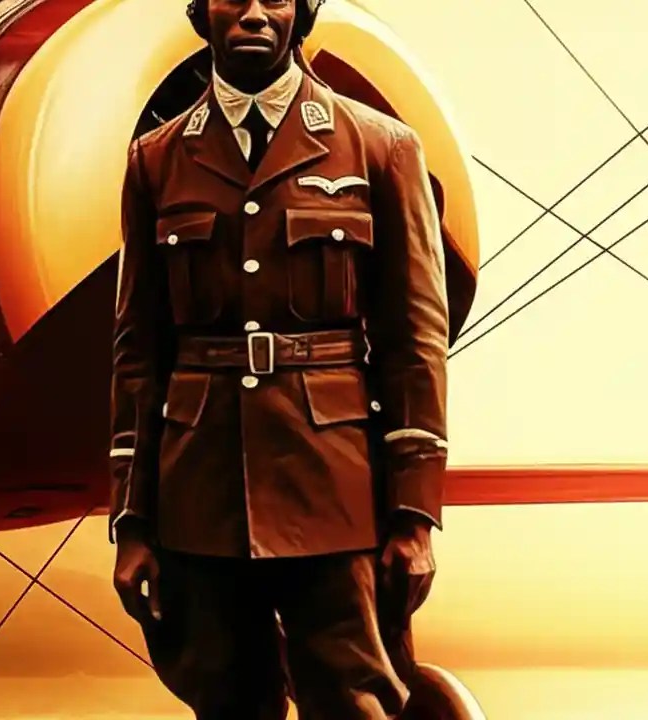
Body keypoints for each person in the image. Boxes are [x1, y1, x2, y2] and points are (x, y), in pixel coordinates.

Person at [107, 0, 451, 718]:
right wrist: (132, 522)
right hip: (201, 499)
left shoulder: (381, 148)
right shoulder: (156, 161)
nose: (256, 14)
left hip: (335, 491)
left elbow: (415, 339)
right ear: (201, 11)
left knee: (354, 702)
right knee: (225, 703)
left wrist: (415, 513)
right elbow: (138, 352)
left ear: (305, 10)